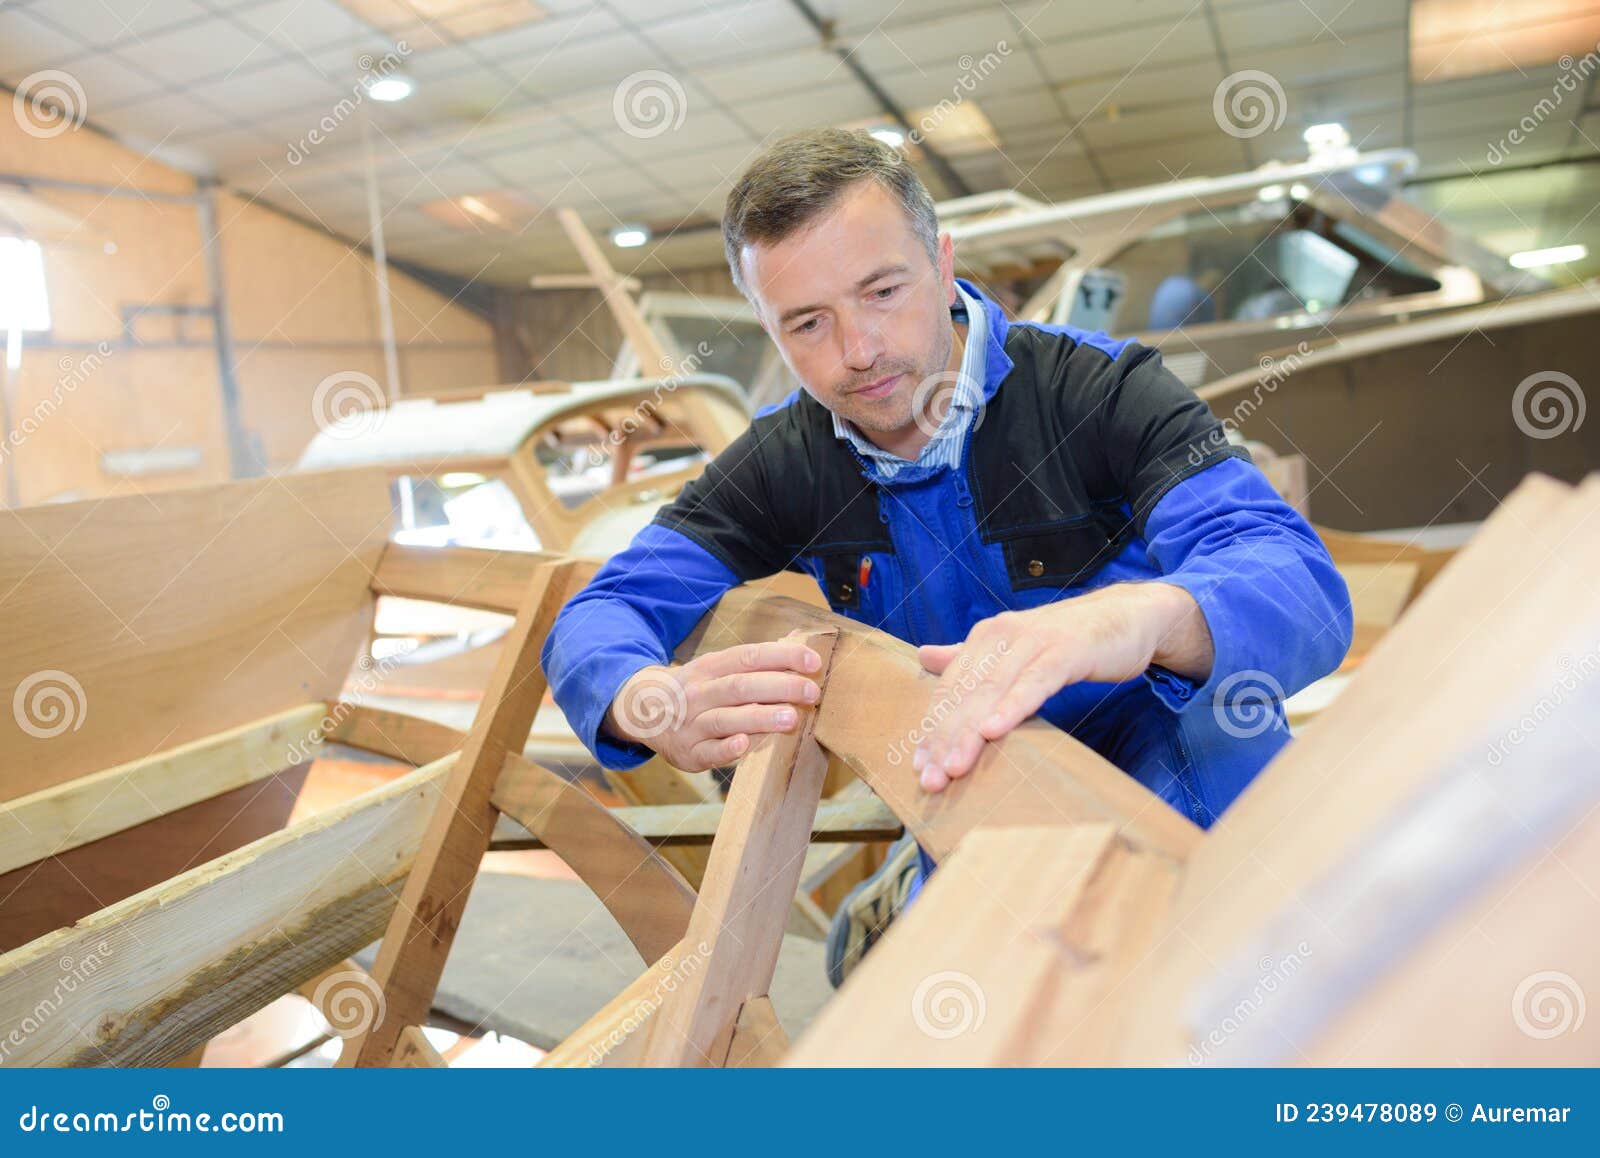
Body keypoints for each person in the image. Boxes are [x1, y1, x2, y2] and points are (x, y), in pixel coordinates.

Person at [541, 128, 1352, 983]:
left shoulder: (1101, 393)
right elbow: (602, 611)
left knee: (1231, 981)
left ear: (941, 260)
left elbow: (1296, 581)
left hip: (1183, 768)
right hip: (971, 803)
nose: (858, 351)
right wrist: (644, 698)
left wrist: (1140, 617)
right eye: (808, 323)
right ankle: (908, 899)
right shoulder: (786, 463)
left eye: (883, 291)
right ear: (768, 329)